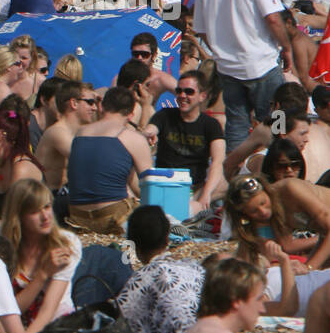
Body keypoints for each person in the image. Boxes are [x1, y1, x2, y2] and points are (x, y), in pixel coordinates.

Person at [192, 0, 292, 153]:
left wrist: (221, 49)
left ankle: (236, 175)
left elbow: (202, 29)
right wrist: (286, 48)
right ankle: (278, 163)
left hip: (228, 67)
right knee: (277, 121)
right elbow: (274, 19)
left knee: (237, 127)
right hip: (261, 64)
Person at [116, 206, 207, 333]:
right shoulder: (194, 269)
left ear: (133, 245)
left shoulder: (140, 279)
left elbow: (124, 323)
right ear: (167, 238)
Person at [0, 178, 82, 333]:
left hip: (53, 325)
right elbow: (10, 309)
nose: (45, 216)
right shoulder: (2, 243)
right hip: (12, 323)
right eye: (35, 211)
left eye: (47, 207)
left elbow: (48, 310)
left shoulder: (66, 244)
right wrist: (43, 275)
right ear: (19, 216)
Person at [65, 87, 152, 235]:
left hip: (77, 218)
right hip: (113, 217)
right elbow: (150, 186)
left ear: (101, 106)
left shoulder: (80, 134)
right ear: (131, 115)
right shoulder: (133, 138)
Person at [149, 68, 225, 215]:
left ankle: (192, 207)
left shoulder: (211, 124)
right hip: (166, 184)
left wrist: (206, 194)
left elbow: (217, 161)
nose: (182, 96)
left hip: (194, 188)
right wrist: (149, 132)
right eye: (179, 91)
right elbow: (152, 127)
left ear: (202, 96)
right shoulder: (165, 115)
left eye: (189, 92)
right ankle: (188, 211)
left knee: (222, 182)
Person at [35, 80, 98, 193]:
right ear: (74, 103)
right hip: (49, 198)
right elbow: (87, 160)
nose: (95, 108)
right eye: (90, 102)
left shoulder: (80, 131)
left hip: (65, 195)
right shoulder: (57, 132)